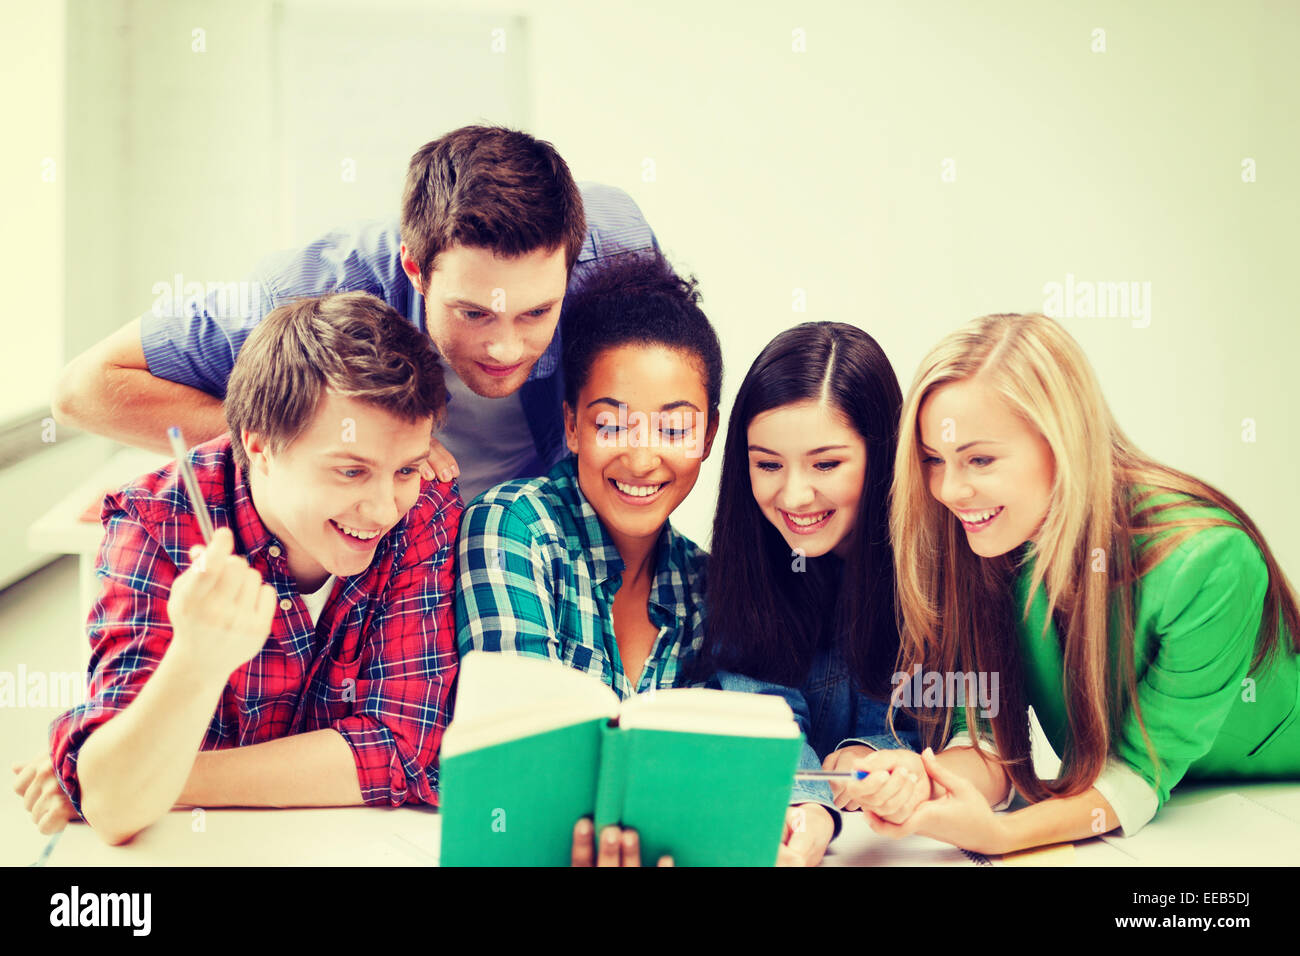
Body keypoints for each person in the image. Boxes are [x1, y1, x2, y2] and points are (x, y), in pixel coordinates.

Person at [12, 292, 461, 844]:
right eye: (350, 471)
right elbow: (116, 807)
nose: (384, 508)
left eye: (406, 469)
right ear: (261, 445)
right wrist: (196, 659)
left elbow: (401, 747)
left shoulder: (427, 514)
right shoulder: (156, 525)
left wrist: (160, 773)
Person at [851, 312, 1300, 854]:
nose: (949, 489)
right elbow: (989, 735)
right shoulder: (988, 536)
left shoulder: (1210, 560)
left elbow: (1136, 775)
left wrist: (1003, 835)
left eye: (980, 459)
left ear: (1062, 442)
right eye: (932, 459)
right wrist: (921, 779)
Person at [51, 125, 660, 504]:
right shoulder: (315, 291)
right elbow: (87, 389)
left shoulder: (616, 250)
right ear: (415, 269)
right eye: (472, 313)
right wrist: (338, 443)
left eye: (535, 313)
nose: (504, 349)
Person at [455, 252, 720, 864]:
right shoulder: (511, 527)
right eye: (612, 424)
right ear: (572, 426)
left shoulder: (705, 583)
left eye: (675, 429)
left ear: (707, 438)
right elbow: (519, 763)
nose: (643, 456)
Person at [695, 322, 921, 867]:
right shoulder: (743, 568)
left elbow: (928, 724)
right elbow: (766, 716)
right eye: (768, 464)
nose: (794, 494)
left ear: (882, 453)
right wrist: (810, 806)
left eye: (826, 464)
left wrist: (873, 757)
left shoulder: (929, 569)